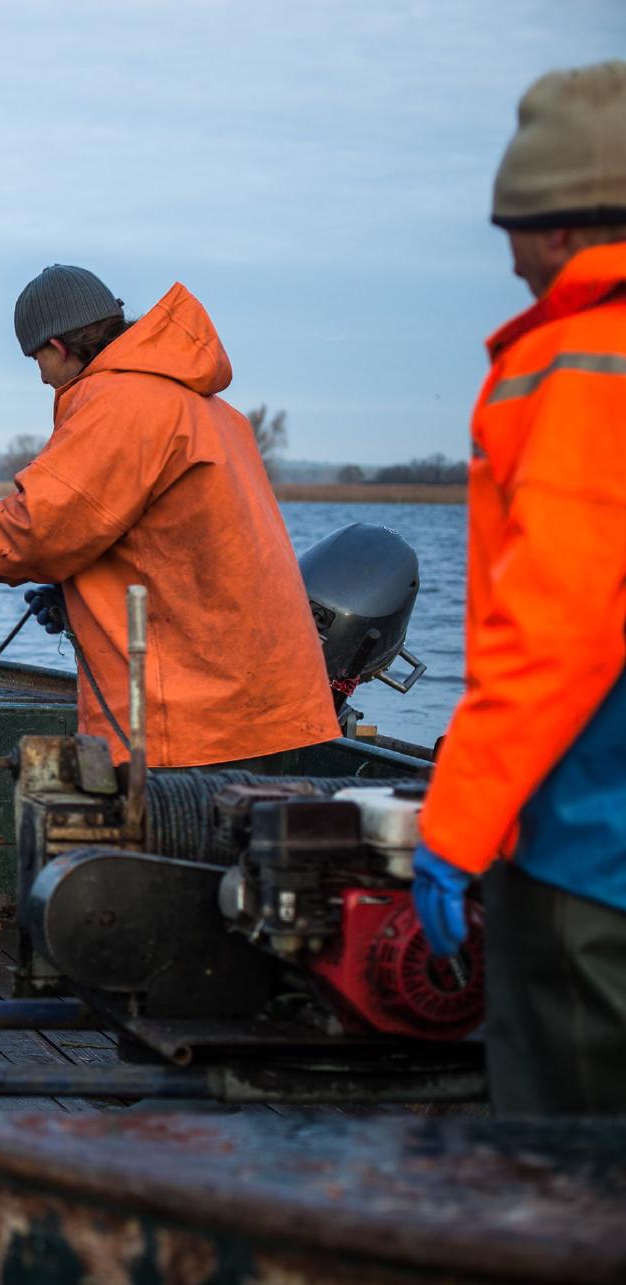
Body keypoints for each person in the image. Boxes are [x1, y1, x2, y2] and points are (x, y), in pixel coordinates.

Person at [413, 60, 626, 1116]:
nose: (503, 261)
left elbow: (557, 630)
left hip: (592, 850)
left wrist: (450, 833)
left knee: (571, 1162)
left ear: (552, 226)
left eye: (506, 230)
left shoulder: (581, 364)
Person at [0, 265, 338, 768]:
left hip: (197, 713)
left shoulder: (122, 402)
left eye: (36, 360)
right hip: (264, 700)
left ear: (57, 347)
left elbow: (40, 528)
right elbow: (166, 542)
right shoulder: (205, 407)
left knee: (164, 842)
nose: (40, 377)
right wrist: (80, 594)